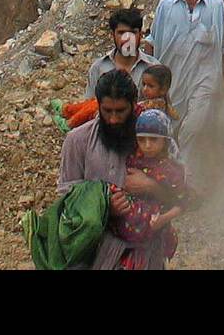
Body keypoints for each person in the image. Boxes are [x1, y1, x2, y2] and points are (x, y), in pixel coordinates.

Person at [58, 70, 181, 269]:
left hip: (146, 253)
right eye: (107, 111)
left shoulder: (155, 140)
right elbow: (66, 200)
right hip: (95, 255)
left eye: (120, 111)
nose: (113, 119)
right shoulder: (77, 141)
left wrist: (150, 186)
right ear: (98, 105)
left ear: (134, 105)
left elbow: (180, 195)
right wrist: (104, 206)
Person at [147, 0, 224, 150]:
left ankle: (184, 171)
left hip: (205, 80)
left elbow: (223, 48)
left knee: (192, 129)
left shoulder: (216, 5)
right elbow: (152, 42)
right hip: (173, 79)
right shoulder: (166, 5)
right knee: (171, 129)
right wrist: (150, 78)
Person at [108, 109, 188, 270]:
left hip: (153, 238)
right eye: (142, 140)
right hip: (126, 239)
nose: (147, 145)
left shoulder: (171, 170)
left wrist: (163, 219)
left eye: (153, 140)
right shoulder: (132, 160)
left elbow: (182, 201)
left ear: (165, 140)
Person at [85, 8, 159, 99]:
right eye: (121, 33)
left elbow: (163, 107)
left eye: (132, 33)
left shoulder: (154, 67)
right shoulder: (98, 68)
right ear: (113, 35)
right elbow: (89, 107)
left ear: (140, 34)